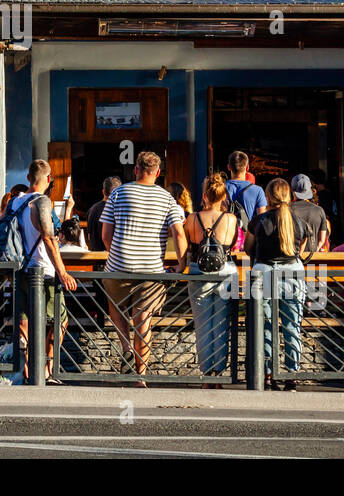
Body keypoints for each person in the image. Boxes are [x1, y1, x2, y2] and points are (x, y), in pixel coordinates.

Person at [100, 151, 185, 386]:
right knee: (143, 319)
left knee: (115, 308)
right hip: (151, 268)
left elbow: (106, 235)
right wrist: (181, 264)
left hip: (119, 264)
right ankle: (141, 375)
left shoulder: (118, 192)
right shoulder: (167, 199)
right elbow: (178, 232)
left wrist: (116, 252)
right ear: (158, 173)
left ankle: (125, 346)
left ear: (135, 169)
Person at [248, 177, 318, 389]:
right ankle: (291, 375)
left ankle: (268, 374)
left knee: (266, 325)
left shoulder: (260, 221)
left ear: (268, 196)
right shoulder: (298, 222)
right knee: (292, 326)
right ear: (289, 196)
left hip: (264, 273)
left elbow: (248, 248)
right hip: (292, 274)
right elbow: (301, 249)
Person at [12, 160, 77, 384]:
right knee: (59, 320)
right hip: (44, 270)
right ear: (49, 180)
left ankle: (29, 369)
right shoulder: (42, 202)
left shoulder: (14, 202)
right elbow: (49, 239)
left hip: (20, 269)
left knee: (25, 321)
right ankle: (47, 368)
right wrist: (63, 272)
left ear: (28, 178)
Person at [180, 172, 241, 382]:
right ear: (223, 196)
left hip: (199, 273)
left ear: (204, 196)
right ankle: (220, 372)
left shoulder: (192, 218)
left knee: (203, 324)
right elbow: (233, 244)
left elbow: (186, 243)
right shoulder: (232, 219)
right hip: (226, 272)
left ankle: (207, 373)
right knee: (222, 324)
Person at [226, 150, 268, 228]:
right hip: (247, 238)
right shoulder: (258, 191)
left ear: (228, 167)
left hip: (224, 237)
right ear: (247, 167)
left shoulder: (219, 189)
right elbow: (261, 221)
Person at [290, 173, 331, 251]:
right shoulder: (319, 210)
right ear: (309, 189)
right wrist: (314, 250)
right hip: (312, 260)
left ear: (292, 190)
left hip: (291, 258)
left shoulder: (286, 210)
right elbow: (322, 240)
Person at [87, 177, 121, 251]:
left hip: (94, 256)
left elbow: (89, 236)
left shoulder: (92, 209)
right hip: (109, 256)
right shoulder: (117, 210)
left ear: (103, 192)